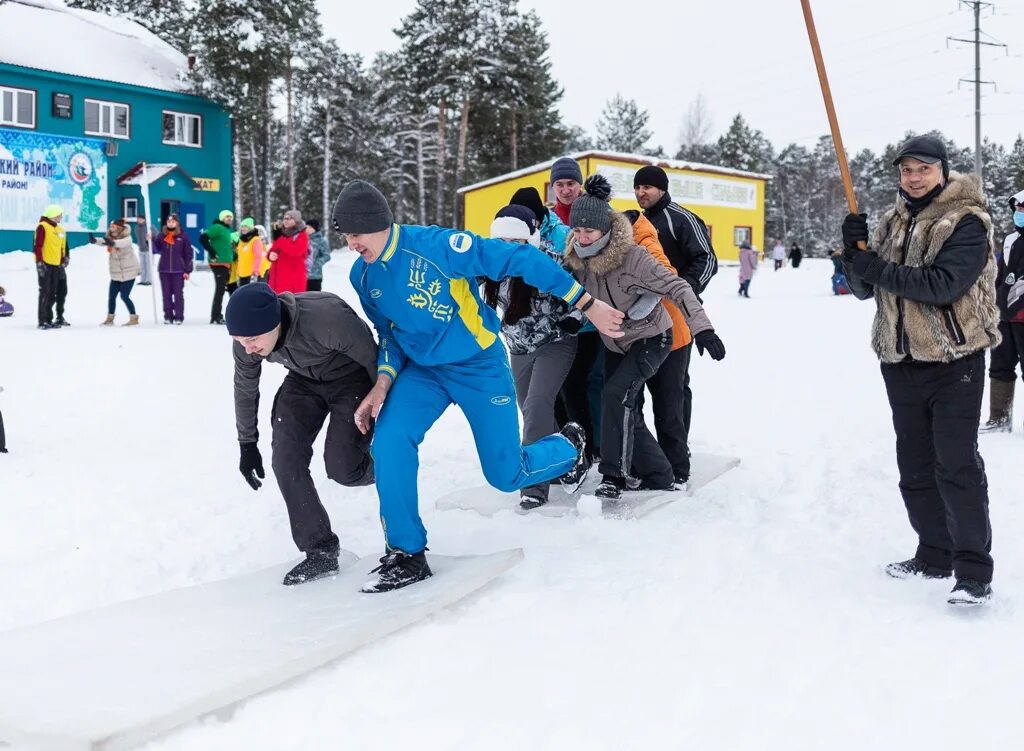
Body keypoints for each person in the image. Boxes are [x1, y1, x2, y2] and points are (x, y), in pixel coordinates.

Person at [336, 179, 624, 592]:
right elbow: (389, 334)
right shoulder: (363, 276)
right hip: (424, 371)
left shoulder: (437, 247)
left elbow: (521, 258)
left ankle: (570, 445)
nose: (351, 244)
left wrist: (587, 303)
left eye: (355, 234)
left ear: (376, 224)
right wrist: (382, 384)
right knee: (390, 441)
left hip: (477, 365)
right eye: (346, 236)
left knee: (506, 474)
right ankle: (406, 552)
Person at [841, 134, 1000, 606]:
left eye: (923, 169)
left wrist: (873, 265)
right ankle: (934, 553)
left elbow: (942, 285)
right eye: (906, 170)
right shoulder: (893, 222)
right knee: (914, 467)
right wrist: (853, 253)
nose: (913, 178)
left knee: (956, 466)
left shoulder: (967, 221)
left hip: (956, 360)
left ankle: (973, 573)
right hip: (901, 360)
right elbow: (864, 290)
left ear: (943, 172)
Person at [566, 176, 725, 499]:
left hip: (653, 337)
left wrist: (703, 328)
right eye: (577, 231)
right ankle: (656, 471)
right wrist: (573, 317)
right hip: (615, 340)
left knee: (617, 395)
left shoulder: (633, 256)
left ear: (606, 230)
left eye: (589, 231)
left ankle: (614, 475)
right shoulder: (577, 257)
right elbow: (582, 295)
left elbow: (677, 286)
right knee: (623, 405)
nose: (582, 238)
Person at [228, 283, 378, 586]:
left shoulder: (326, 318)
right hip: (302, 382)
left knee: (343, 469)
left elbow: (373, 361)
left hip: (352, 379)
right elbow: (245, 388)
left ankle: (390, 465)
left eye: (253, 340)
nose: (248, 348)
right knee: (285, 460)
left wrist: (389, 422)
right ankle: (320, 551)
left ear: (275, 323)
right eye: (239, 341)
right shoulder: (248, 341)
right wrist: (247, 443)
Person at [483, 205, 583, 509]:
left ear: (531, 240)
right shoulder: (488, 266)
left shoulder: (549, 262)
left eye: (517, 243)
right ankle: (567, 456)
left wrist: (575, 316)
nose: (509, 249)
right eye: (503, 242)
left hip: (555, 342)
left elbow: (579, 295)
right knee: (532, 412)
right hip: (518, 347)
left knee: (538, 404)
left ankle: (532, 485)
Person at [634, 165, 719, 479]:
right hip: (642, 321)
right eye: (637, 188)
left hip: (679, 315)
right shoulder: (633, 222)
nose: (642, 193)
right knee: (640, 389)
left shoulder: (681, 218)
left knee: (673, 391)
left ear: (662, 188)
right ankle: (648, 457)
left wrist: (685, 287)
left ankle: (677, 455)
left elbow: (707, 258)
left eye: (647, 187)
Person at [622, 208, 696, 486]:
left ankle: (678, 468)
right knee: (635, 404)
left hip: (672, 336)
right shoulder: (627, 239)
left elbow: (668, 277)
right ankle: (646, 464)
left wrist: (644, 303)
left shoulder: (645, 241)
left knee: (668, 406)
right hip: (641, 337)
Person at [546, 158, 604, 462]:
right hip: (559, 321)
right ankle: (572, 443)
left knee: (594, 382)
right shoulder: (548, 222)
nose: (566, 189)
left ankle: (598, 445)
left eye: (571, 183)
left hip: (593, 319)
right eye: (560, 184)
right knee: (563, 385)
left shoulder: (593, 214)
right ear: (553, 186)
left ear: (579, 185)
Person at [980, 189, 1024, 433]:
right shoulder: (1010, 240)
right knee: (999, 367)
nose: (1020, 213)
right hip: (1005, 316)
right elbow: (1001, 276)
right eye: (1018, 209)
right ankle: (999, 418)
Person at [93, 219, 140, 326]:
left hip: (129, 271)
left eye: (113, 227)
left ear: (119, 228)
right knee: (112, 296)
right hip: (116, 272)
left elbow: (119, 243)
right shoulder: (111, 237)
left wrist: (111, 242)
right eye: (111, 226)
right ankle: (110, 318)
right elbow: (105, 241)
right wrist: (95, 240)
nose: (111, 228)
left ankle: (134, 317)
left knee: (124, 296)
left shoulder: (127, 238)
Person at [152, 213, 192, 324]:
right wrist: (149, 240)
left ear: (177, 223)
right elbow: (155, 249)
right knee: (166, 295)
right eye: (169, 222)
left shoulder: (183, 236)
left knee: (178, 294)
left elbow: (188, 254)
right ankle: (168, 316)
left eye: (173, 222)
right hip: (164, 270)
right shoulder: (161, 236)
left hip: (178, 270)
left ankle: (179, 316)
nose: (171, 223)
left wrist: (187, 270)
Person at [33, 204, 68, 330]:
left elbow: (62, 247)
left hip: (56, 264)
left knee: (53, 293)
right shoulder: (42, 226)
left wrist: (64, 258)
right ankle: (42, 321)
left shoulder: (59, 229)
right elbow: (38, 246)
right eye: (59, 215)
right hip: (45, 263)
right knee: (45, 292)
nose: (61, 217)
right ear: (53, 215)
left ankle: (49, 319)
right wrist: (39, 262)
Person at [509, 186, 570, 256]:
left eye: (528, 222)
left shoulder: (563, 235)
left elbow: (573, 264)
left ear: (539, 218)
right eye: (519, 222)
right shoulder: (506, 236)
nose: (524, 227)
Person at [200, 209, 235, 324]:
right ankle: (215, 316)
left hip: (225, 263)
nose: (229, 219)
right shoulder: (217, 227)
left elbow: (224, 246)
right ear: (221, 218)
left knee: (223, 290)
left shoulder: (225, 230)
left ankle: (218, 315)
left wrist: (233, 255)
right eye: (227, 217)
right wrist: (212, 252)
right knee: (220, 290)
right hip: (218, 263)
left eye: (230, 217)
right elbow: (203, 238)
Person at [268, 210, 309, 294]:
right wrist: (270, 255)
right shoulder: (282, 234)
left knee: (291, 305)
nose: (286, 220)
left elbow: (295, 251)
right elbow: (273, 249)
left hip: (292, 281)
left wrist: (279, 238)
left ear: (296, 220)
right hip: (277, 279)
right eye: (284, 218)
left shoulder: (302, 235)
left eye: (289, 218)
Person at [235, 217, 269, 287]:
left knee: (250, 295)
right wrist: (238, 270)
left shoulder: (255, 240)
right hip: (243, 272)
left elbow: (258, 256)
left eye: (245, 226)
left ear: (250, 228)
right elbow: (240, 257)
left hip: (252, 274)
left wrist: (255, 271)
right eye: (242, 226)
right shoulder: (241, 240)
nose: (243, 228)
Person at [305, 219, 332, 292]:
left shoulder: (321, 241)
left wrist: (315, 263)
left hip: (315, 277)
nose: (307, 229)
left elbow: (327, 256)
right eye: (306, 227)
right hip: (301, 276)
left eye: (310, 228)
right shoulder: (302, 239)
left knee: (314, 299)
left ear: (315, 229)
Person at [136, 216, 153, 287]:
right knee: (142, 266)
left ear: (144, 220)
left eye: (141, 219)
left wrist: (150, 237)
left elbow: (156, 234)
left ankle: (149, 280)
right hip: (141, 249)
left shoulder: (149, 227)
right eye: (138, 219)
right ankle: (143, 280)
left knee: (148, 265)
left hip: (148, 249)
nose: (139, 220)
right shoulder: (137, 228)